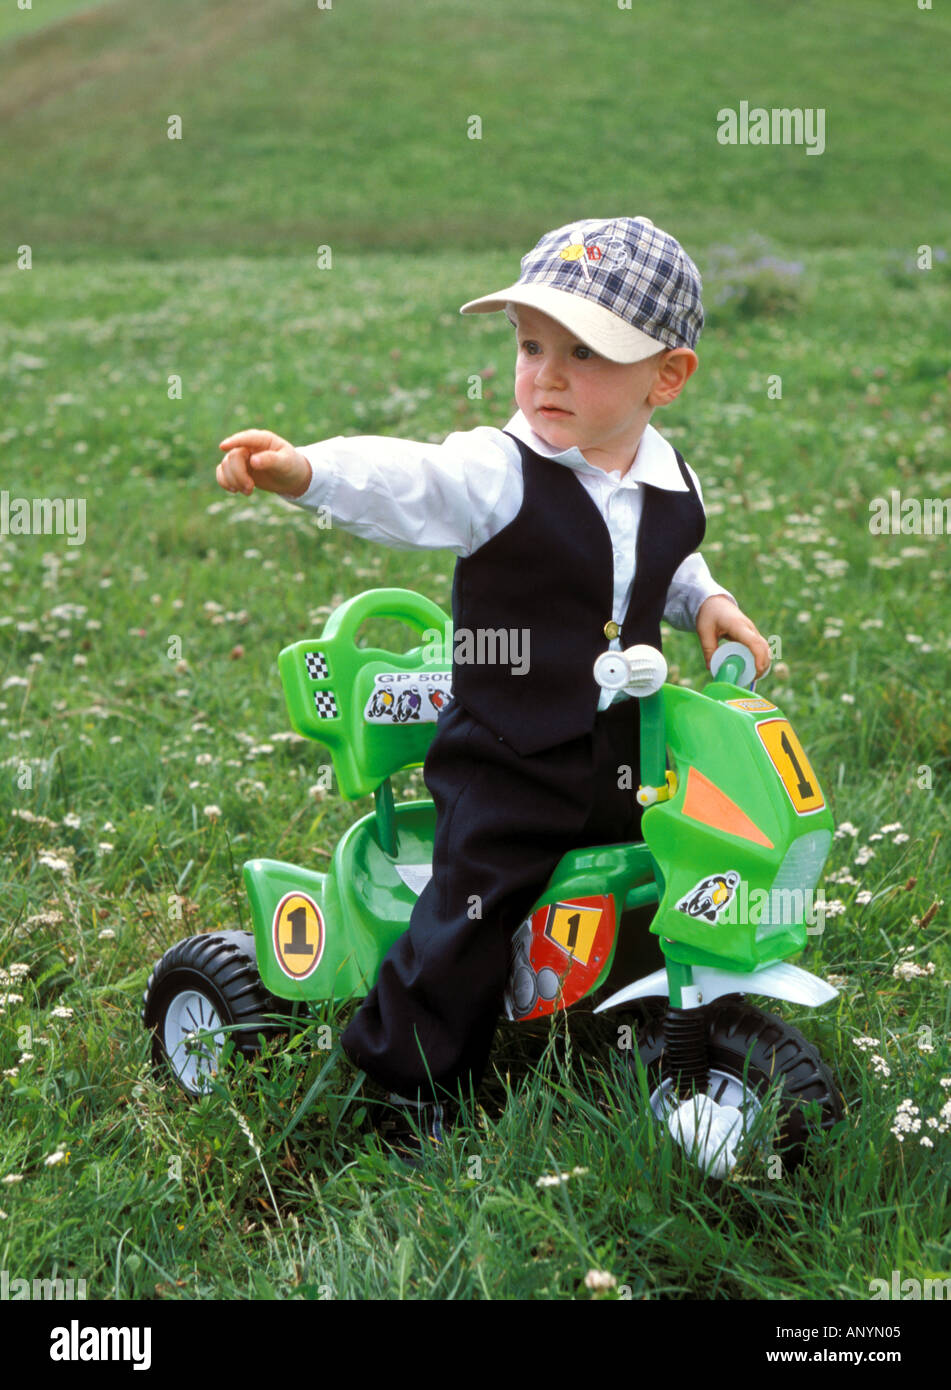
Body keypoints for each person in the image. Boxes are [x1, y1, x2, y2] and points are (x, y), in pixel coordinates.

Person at [216, 216, 771, 1155]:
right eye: (528, 345)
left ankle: (631, 1013)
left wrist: (705, 601)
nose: (545, 374)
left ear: (664, 378)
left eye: (583, 352)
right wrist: (310, 472)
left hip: (621, 747)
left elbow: (660, 562)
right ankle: (405, 1078)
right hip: (508, 754)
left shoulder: (669, 478)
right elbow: (412, 481)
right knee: (475, 905)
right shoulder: (496, 471)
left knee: (652, 873)